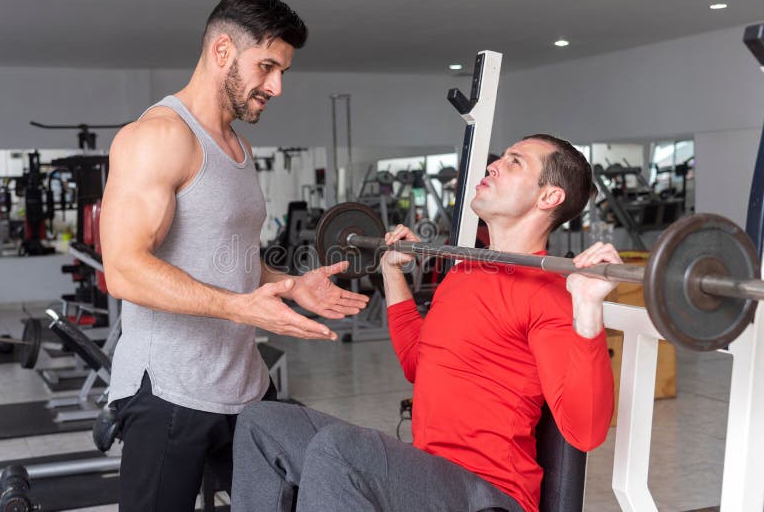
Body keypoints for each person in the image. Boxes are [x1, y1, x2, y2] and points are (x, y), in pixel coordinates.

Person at [230, 134, 617, 512]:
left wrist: (587, 309)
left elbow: (585, 431)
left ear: (549, 197)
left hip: (488, 494)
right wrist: (392, 273)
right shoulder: (465, 271)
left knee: (340, 449)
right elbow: (419, 363)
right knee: (262, 424)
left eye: (514, 162)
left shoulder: (546, 294)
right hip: (429, 473)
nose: (493, 165)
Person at [100, 0, 368, 511]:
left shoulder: (237, 146)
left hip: (242, 382)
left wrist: (289, 287)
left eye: (283, 71)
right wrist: (237, 304)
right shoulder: (159, 136)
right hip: (169, 392)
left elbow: (230, 256)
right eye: (267, 67)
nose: (277, 86)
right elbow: (124, 270)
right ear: (222, 51)